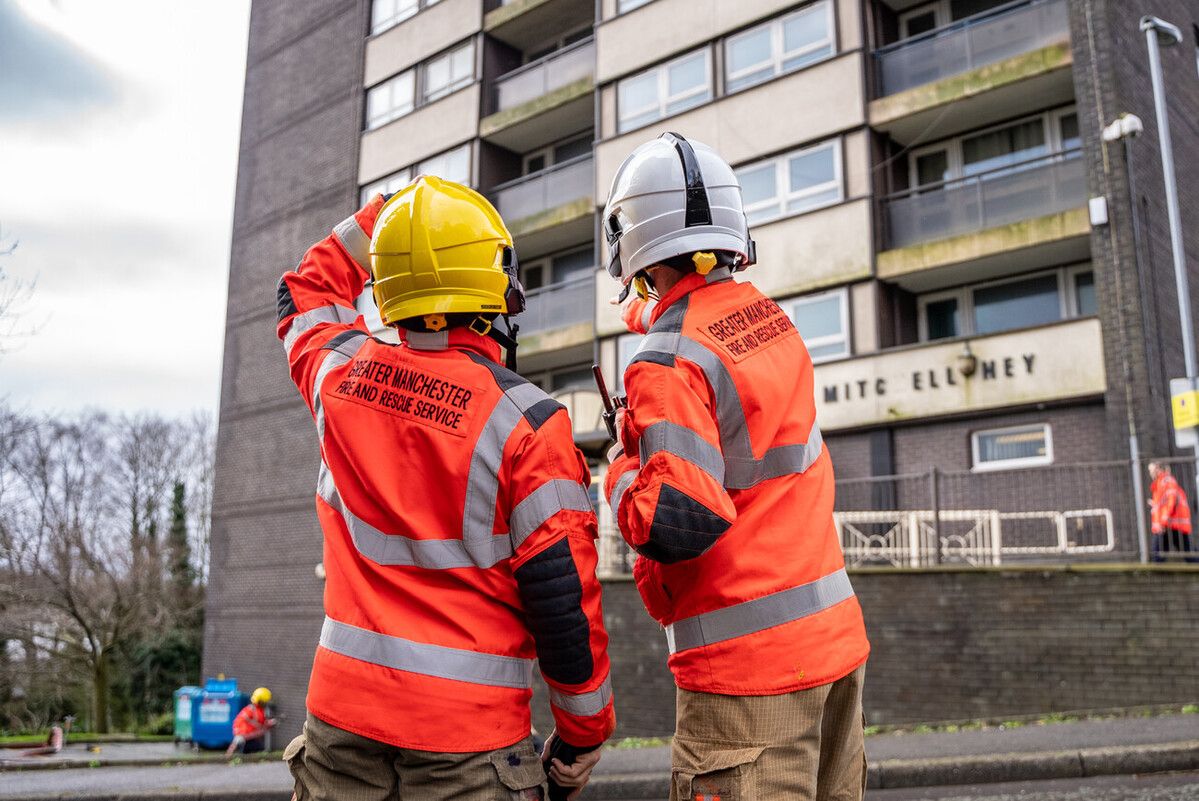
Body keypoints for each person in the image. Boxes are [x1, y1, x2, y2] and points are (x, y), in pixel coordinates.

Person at [276, 178, 615, 801]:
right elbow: (561, 595)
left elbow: (303, 292)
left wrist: (389, 217)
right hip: (467, 744)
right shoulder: (528, 422)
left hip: (340, 726)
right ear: (492, 290)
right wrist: (582, 731)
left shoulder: (337, 374)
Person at [601, 133, 871, 801]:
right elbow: (692, 319)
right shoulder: (769, 321)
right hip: (833, 648)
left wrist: (618, 466)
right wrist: (650, 317)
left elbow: (674, 522)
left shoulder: (664, 363)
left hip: (748, 680)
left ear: (633, 248)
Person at [1148, 462, 1194, 562]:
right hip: (1171, 524)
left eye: (1151, 470)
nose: (1150, 473)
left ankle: (1155, 575)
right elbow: (1165, 502)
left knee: (1156, 553)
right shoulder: (1161, 483)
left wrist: (1163, 521)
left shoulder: (1166, 481)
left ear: (1158, 469)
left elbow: (1171, 501)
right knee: (1188, 552)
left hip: (1169, 524)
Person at [226, 687, 277, 758]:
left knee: (256, 750)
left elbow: (262, 722)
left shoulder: (258, 710)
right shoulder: (251, 710)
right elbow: (244, 726)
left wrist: (268, 723)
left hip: (251, 738)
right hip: (245, 739)